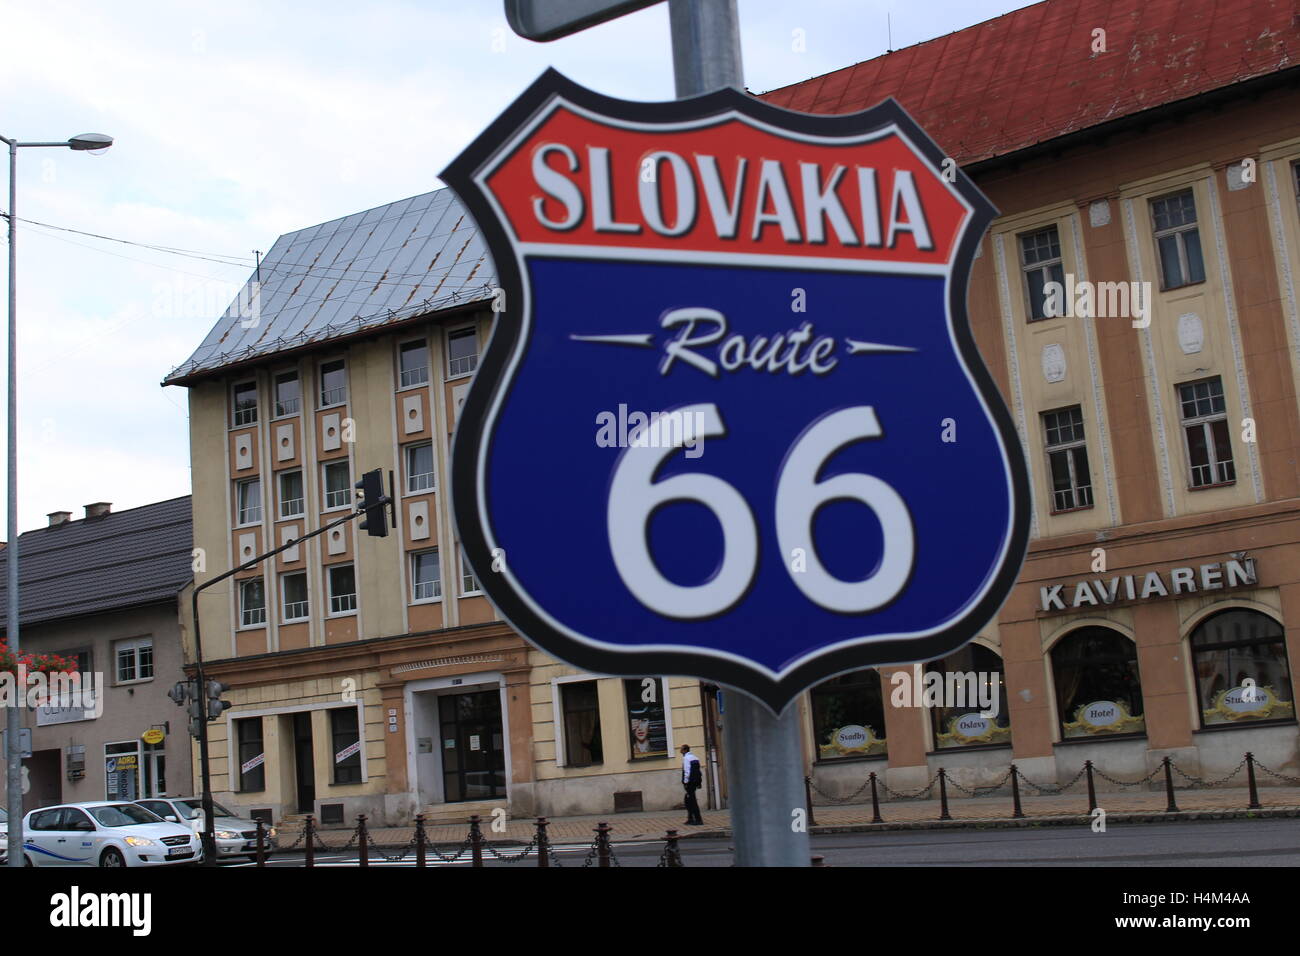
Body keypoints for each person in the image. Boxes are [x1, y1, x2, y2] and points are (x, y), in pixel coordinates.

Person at [680, 744, 703, 825]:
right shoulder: (695, 758)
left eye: (681, 749)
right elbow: (698, 771)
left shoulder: (686, 758)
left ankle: (698, 819)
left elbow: (687, 771)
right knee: (688, 800)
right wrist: (699, 782)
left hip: (689, 783)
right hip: (695, 782)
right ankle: (690, 818)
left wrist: (686, 782)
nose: (680, 751)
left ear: (685, 750)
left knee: (692, 801)